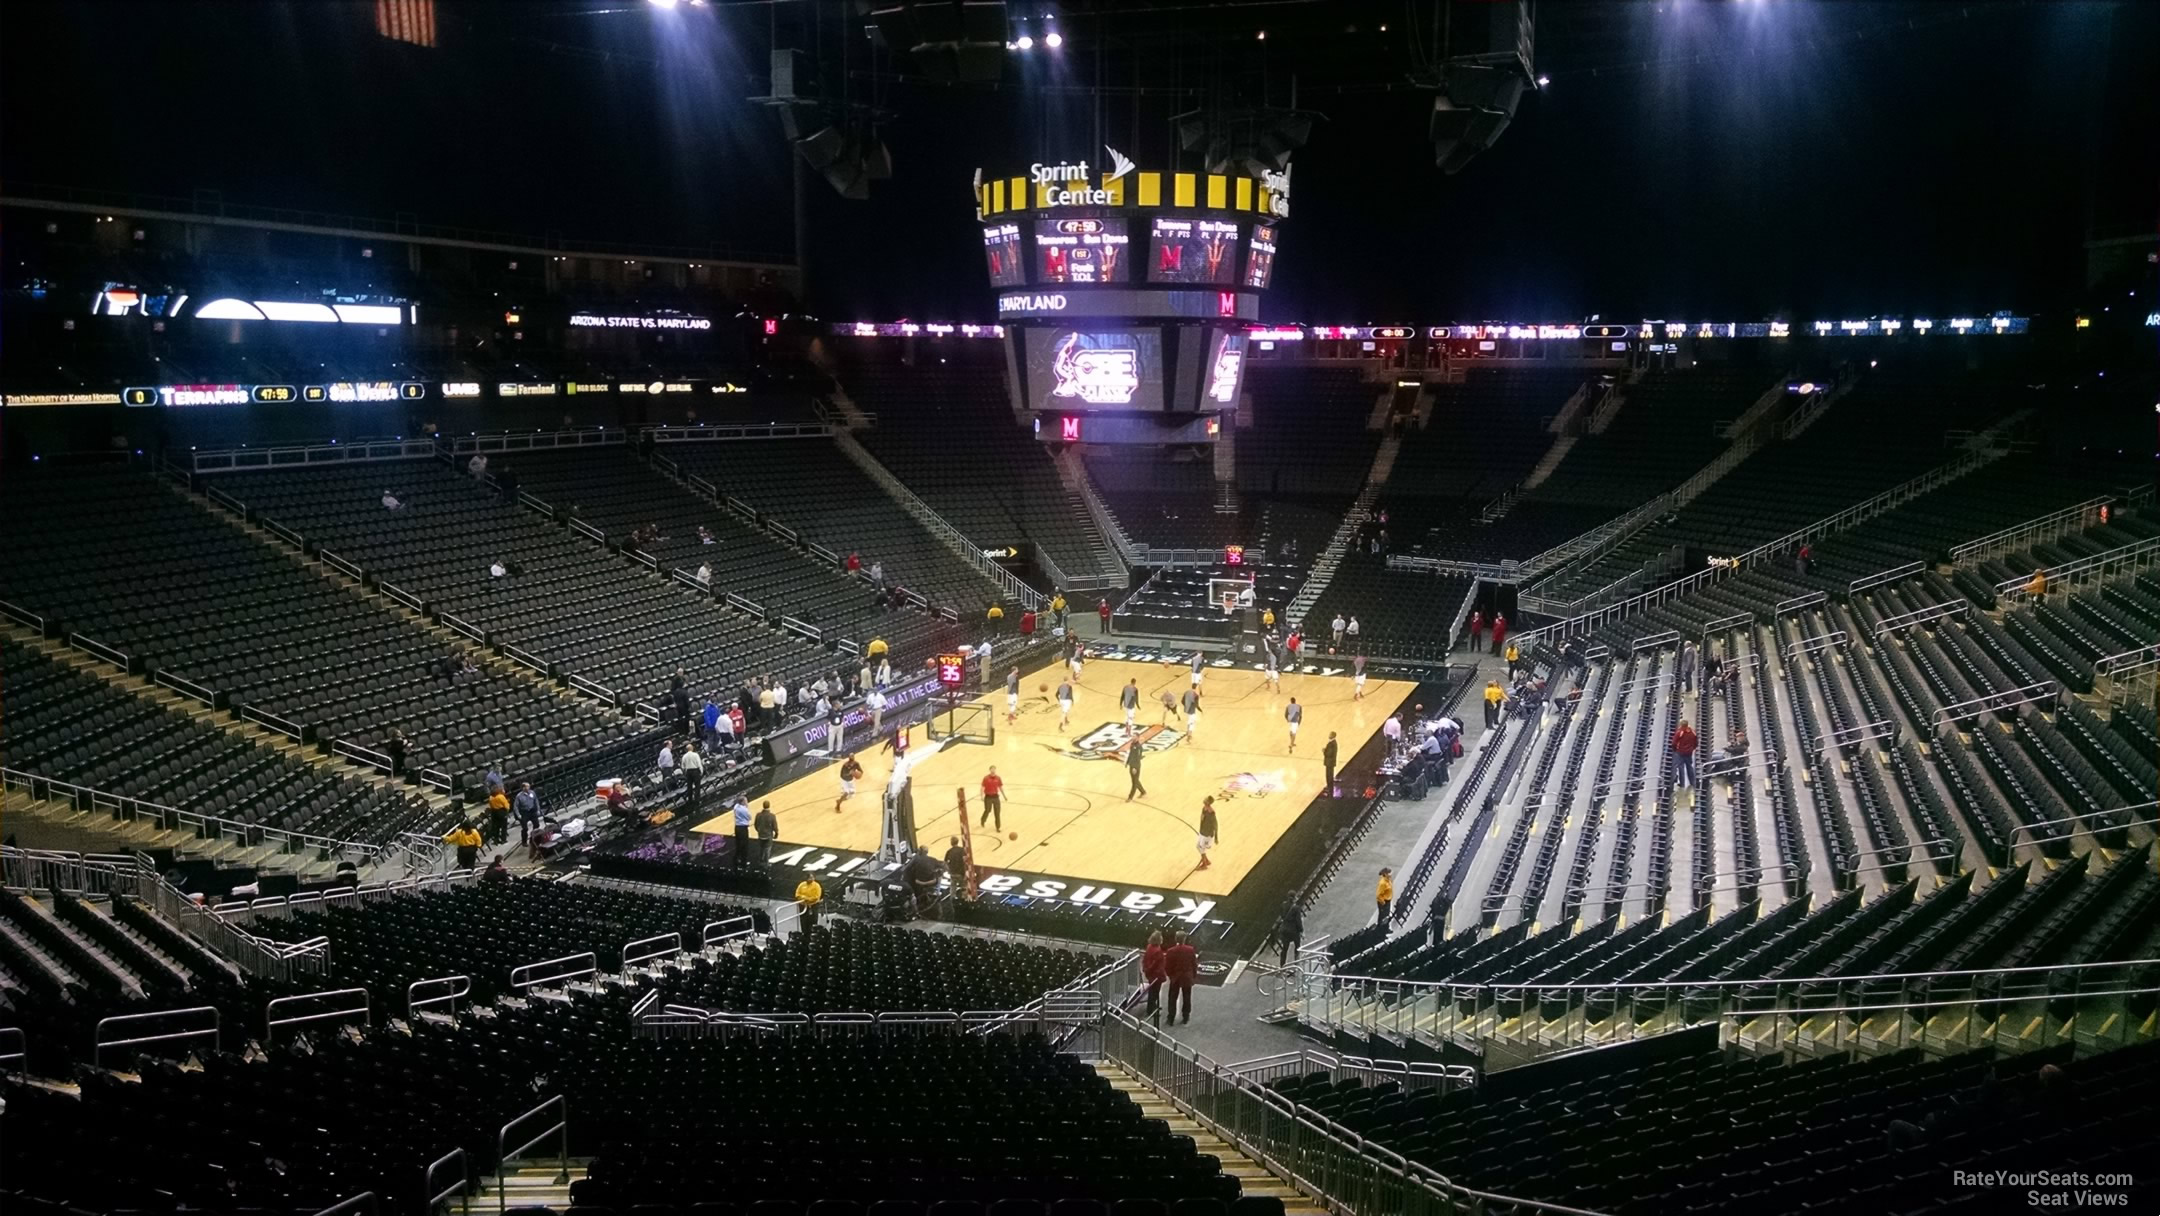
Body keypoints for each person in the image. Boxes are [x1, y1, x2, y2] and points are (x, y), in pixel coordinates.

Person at [1163, 930, 1199, 1025]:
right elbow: (1194, 964)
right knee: (1187, 997)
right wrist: (1193, 976)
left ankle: (1171, 1017)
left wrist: (1170, 975)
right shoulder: (1190, 950)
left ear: (1176, 938)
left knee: (1172, 998)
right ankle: (1186, 1017)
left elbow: (1167, 966)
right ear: (1185, 939)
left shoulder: (1171, 951)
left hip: (1175, 977)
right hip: (1187, 977)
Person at [1142, 930, 1168, 1020]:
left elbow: (1145, 960)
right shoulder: (1157, 951)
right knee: (1155, 992)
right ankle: (1152, 1009)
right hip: (1156, 974)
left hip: (1150, 974)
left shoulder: (1149, 947)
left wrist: (1146, 970)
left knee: (1152, 991)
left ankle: (1153, 1007)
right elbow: (1155, 964)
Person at [1274, 897, 1305, 968]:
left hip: (1284, 930)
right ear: (1294, 898)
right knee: (1297, 947)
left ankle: (1282, 965)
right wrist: (1301, 930)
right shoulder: (1296, 908)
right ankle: (1296, 964)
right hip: (1293, 931)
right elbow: (1298, 921)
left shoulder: (1283, 905)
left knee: (1285, 948)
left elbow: (1282, 916)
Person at [1672, 719, 1699, 788]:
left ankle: (1682, 784)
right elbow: (1696, 742)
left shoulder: (1680, 733)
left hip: (1680, 752)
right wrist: (1692, 749)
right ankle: (1692, 783)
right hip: (1689, 753)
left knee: (1681, 768)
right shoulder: (1693, 732)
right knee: (1689, 766)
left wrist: (1675, 750)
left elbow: (1674, 743)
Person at [1195, 797, 1219, 870]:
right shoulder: (1204, 808)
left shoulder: (1212, 813)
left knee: (1202, 848)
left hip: (1208, 834)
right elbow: (1202, 819)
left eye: (1206, 799)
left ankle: (1204, 864)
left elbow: (1215, 825)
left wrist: (1216, 838)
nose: (1204, 799)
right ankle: (1207, 861)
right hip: (1202, 831)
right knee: (1198, 846)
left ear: (1208, 802)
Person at [679, 742, 704, 807]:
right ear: (692, 748)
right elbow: (699, 764)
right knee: (697, 786)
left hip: (688, 772)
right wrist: (701, 771)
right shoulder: (695, 755)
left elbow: (683, 766)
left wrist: (685, 772)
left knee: (689, 787)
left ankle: (690, 800)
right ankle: (697, 800)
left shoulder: (684, 756)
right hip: (695, 771)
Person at [731, 797, 754, 868]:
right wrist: (747, 807)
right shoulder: (744, 810)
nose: (747, 802)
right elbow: (749, 818)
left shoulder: (736, 807)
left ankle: (736, 859)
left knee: (738, 844)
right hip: (743, 828)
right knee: (744, 845)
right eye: (746, 801)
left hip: (737, 827)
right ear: (743, 802)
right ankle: (743, 861)